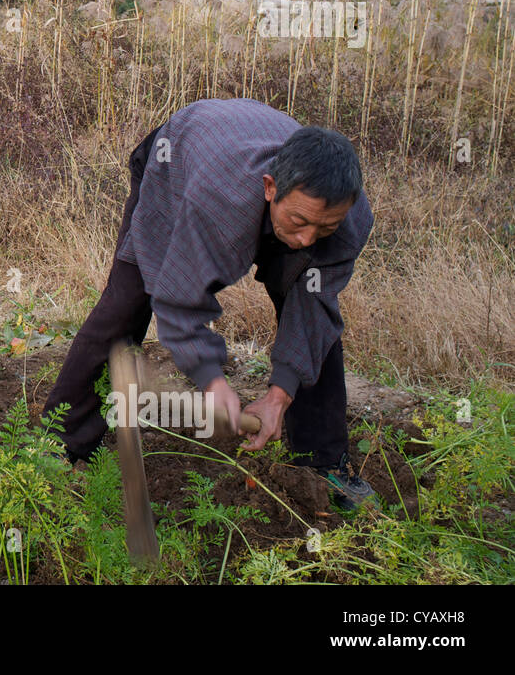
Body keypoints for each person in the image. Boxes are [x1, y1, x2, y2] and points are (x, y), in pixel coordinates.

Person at [44, 97, 378, 513]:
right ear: (271, 187)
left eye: (324, 227)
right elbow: (179, 298)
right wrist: (212, 380)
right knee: (126, 303)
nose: (308, 239)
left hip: (243, 168)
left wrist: (279, 394)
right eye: (299, 222)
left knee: (318, 326)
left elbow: (312, 314)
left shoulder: (347, 221)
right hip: (177, 161)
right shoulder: (215, 200)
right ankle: (59, 443)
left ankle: (323, 463)